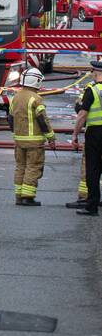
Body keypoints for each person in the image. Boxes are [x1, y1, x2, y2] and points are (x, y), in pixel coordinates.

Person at [8, 66, 55, 205]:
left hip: (19, 140)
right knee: (33, 167)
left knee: (20, 167)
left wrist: (16, 133)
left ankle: (19, 195)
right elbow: (43, 120)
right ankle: (27, 197)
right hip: (34, 141)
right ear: (37, 82)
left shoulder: (15, 97)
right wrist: (51, 137)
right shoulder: (36, 98)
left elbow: (10, 119)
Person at [71, 58, 102, 217]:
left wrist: (75, 134)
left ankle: (92, 206)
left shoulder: (92, 90)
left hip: (95, 133)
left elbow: (82, 114)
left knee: (93, 169)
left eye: (91, 71)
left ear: (96, 72)